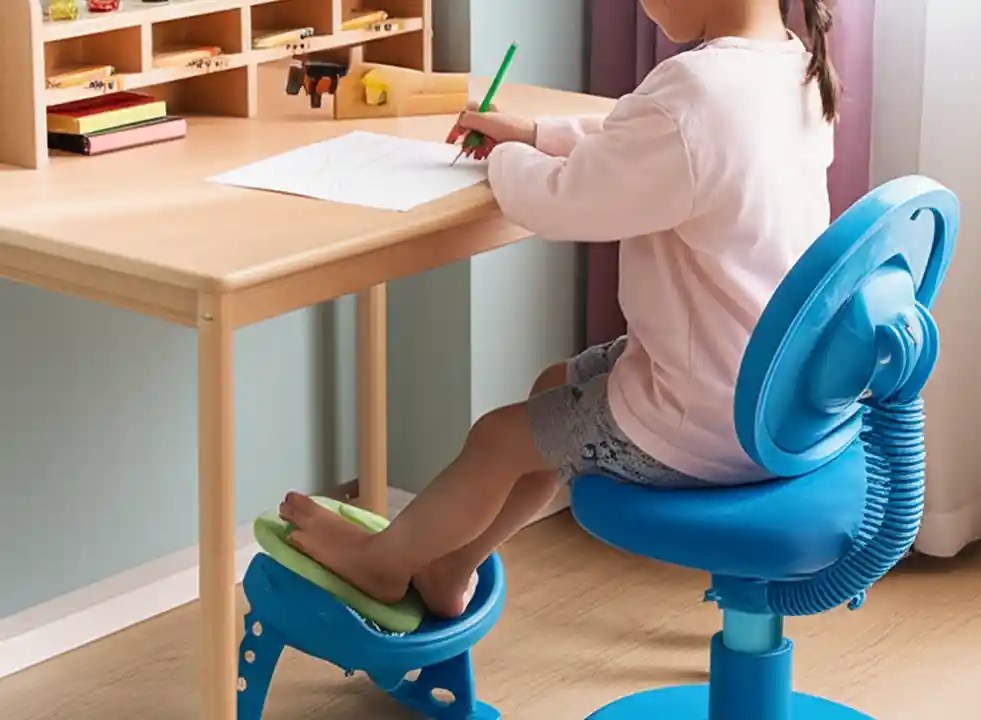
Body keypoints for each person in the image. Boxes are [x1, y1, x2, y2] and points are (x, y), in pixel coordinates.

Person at [278, 0, 839, 618]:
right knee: (552, 390)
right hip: (768, 391)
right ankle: (449, 566)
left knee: (497, 439)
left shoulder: (697, 90)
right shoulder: (789, 64)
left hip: (703, 420)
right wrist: (536, 135)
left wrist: (506, 161)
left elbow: (570, 200)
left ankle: (382, 565)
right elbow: (644, 140)